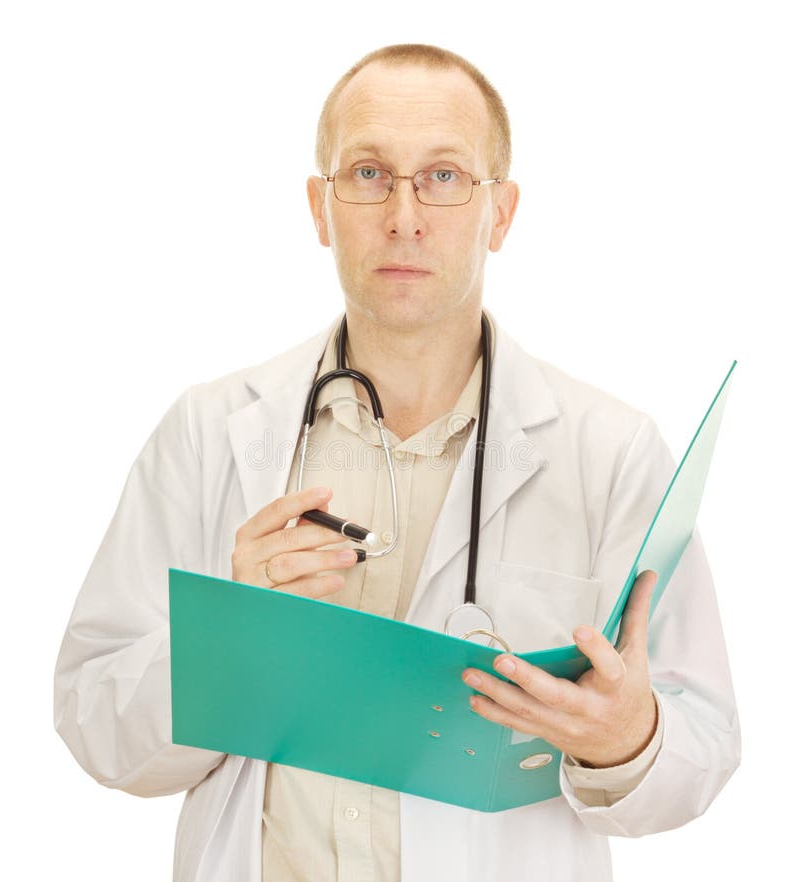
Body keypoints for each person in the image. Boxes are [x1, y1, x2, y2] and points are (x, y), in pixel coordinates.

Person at [54, 43, 741, 882]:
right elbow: (93, 722)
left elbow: (703, 740)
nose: (405, 215)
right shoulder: (209, 433)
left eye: (445, 176)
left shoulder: (610, 453)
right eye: (370, 173)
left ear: (501, 211)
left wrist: (629, 741)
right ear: (320, 207)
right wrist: (231, 644)